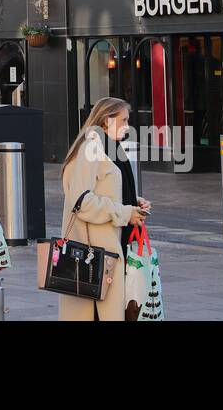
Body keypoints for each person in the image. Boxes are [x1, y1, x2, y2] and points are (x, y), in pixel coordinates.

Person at [57, 96, 150, 321]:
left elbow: (104, 188)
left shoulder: (108, 148)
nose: (128, 126)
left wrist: (133, 202)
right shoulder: (90, 149)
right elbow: (82, 201)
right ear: (107, 120)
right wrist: (125, 213)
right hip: (95, 255)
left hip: (109, 249)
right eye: (124, 120)